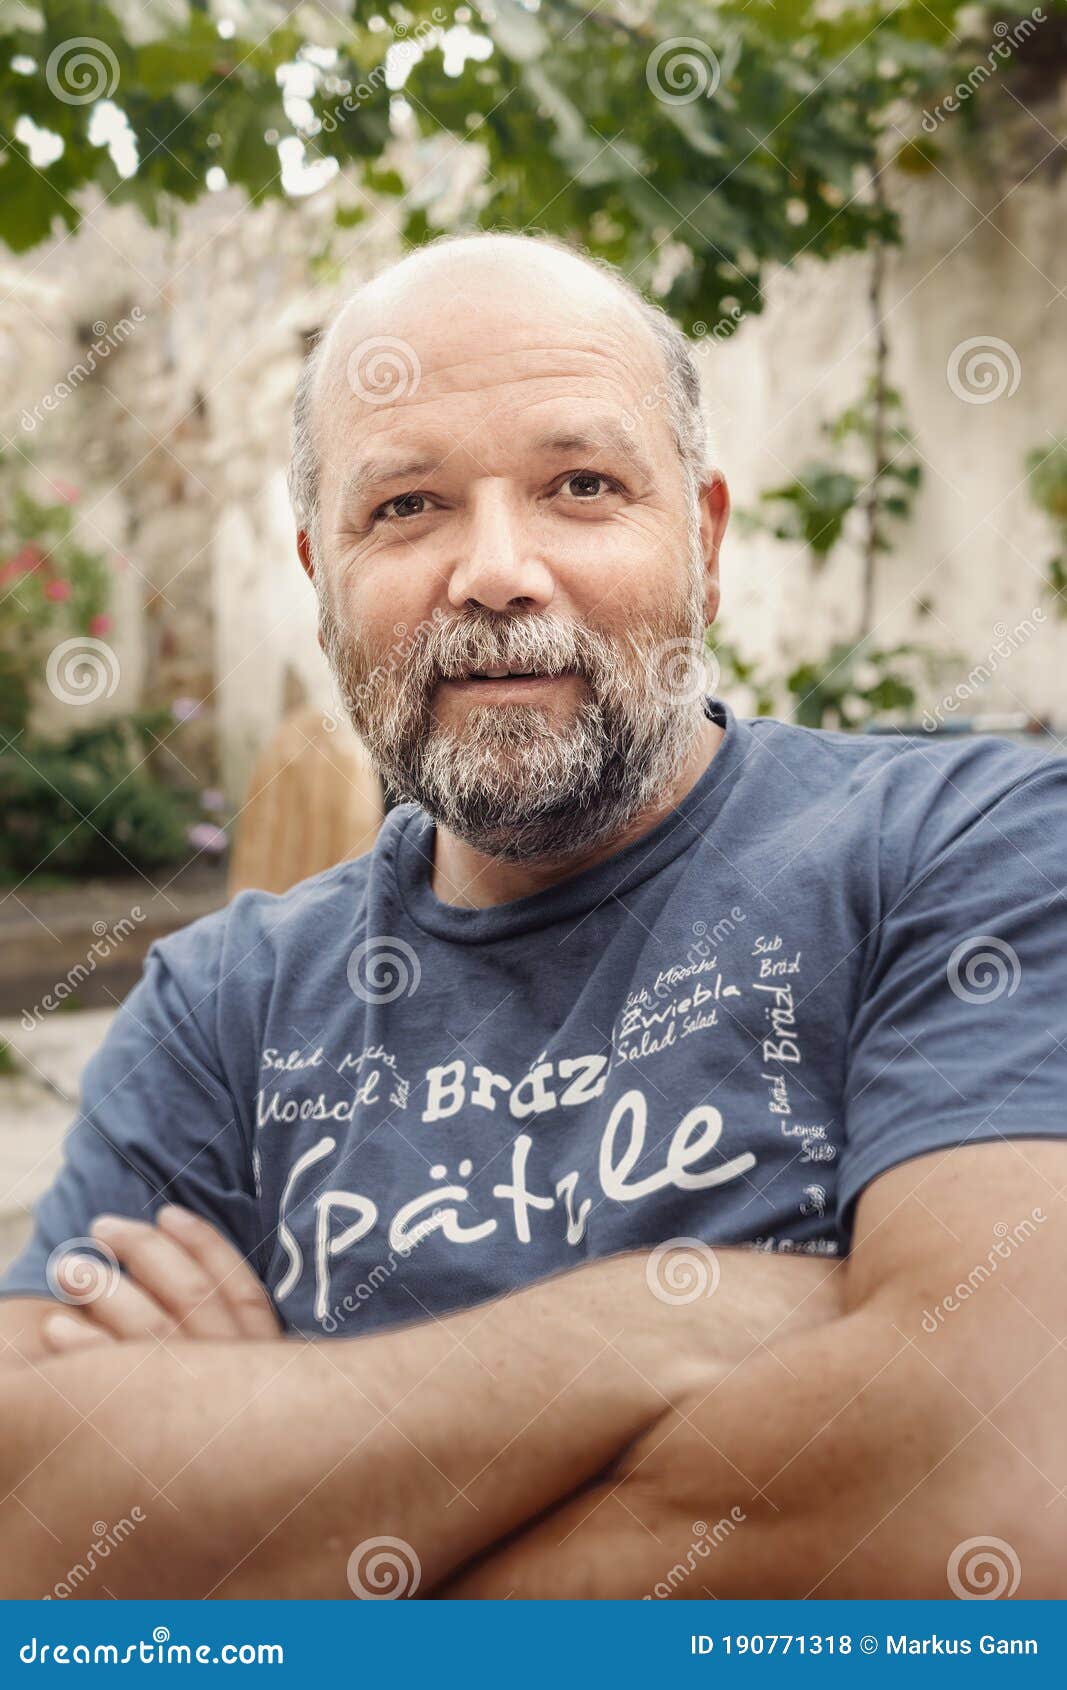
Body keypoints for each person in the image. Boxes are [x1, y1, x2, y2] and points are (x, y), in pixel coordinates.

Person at [0, 233, 1063, 1600]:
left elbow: (994, 1496)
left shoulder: (968, 855)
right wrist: (652, 1327)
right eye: (407, 508)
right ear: (322, 579)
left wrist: (281, 1488)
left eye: (580, 485)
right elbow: (31, 1534)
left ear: (705, 537)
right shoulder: (223, 1009)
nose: (496, 570)